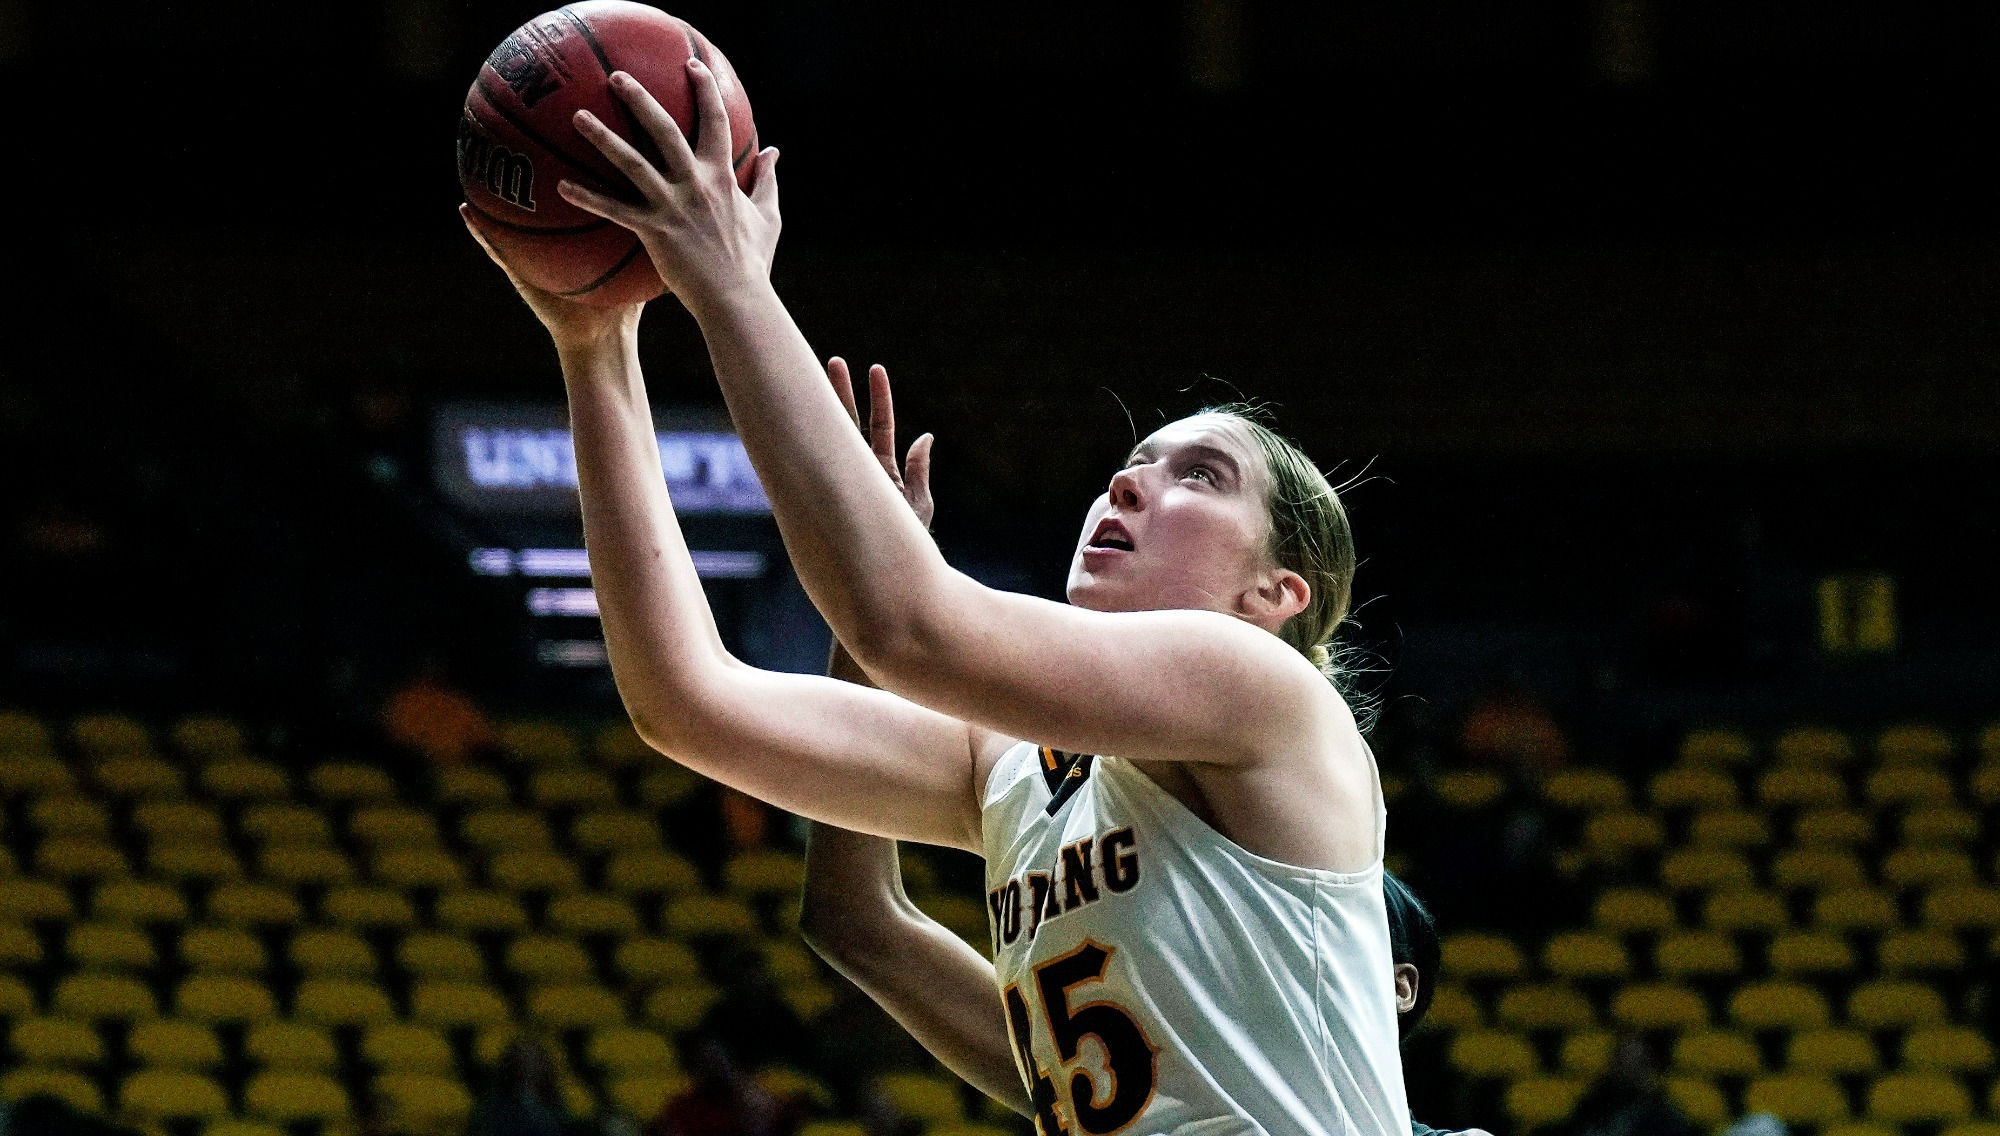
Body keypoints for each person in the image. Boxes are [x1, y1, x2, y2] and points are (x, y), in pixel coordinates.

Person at [463, 57, 1402, 1136]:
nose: (1128, 479)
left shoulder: (1264, 693)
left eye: (1199, 475)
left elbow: (907, 623)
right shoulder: (1010, 768)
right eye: (1132, 461)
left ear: (1276, 591)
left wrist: (726, 280)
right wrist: (596, 347)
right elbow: (684, 700)